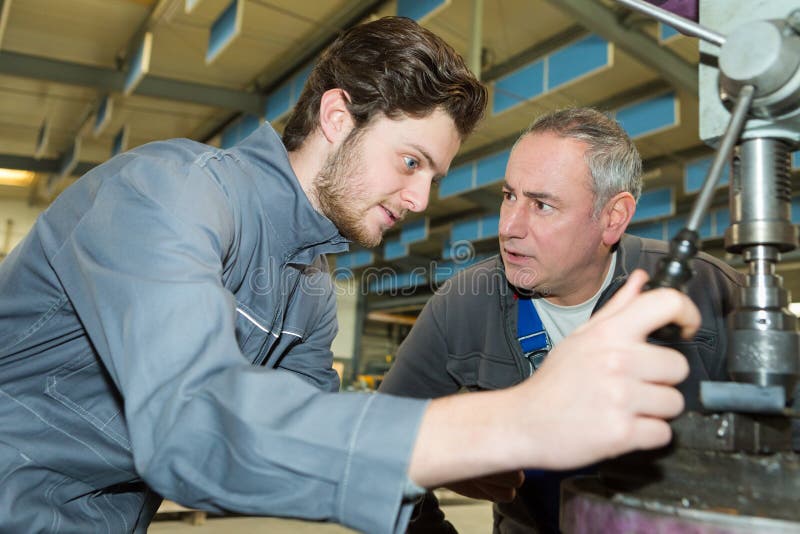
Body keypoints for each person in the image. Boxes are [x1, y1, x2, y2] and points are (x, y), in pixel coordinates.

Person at [0, 19, 700, 534]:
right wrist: (512, 419)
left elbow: (274, 454)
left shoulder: (309, 289)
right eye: (410, 162)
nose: (423, 200)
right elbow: (193, 430)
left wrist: (437, 456)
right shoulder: (165, 192)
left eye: (435, 175)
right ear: (338, 117)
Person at [379, 108, 744, 533]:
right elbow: (377, 445)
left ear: (613, 218)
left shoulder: (711, 293)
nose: (509, 227)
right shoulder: (463, 304)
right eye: (509, 195)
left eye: (542, 204)